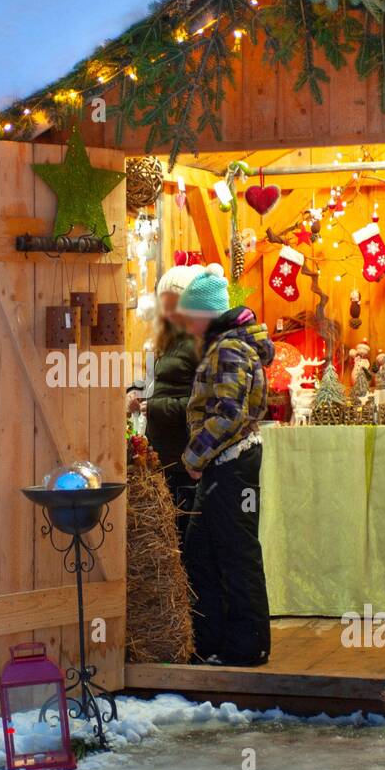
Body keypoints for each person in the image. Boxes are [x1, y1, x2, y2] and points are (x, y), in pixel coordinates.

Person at [176, 264, 274, 667]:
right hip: (233, 462)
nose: (186, 323)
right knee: (208, 550)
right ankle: (215, 639)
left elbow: (229, 412)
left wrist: (194, 457)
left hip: (230, 464)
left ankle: (246, 645)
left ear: (207, 314)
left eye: (191, 314)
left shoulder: (228, 349)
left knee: (234, 552)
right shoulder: (228, 346)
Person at [127, 265, 202, 539]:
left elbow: (201, 405)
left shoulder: (199, 343)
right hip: (162, 454)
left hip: (184, 456)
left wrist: (155, 407)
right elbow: (152, 383)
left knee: (184, 536)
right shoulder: (167, 341)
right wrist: (134, 393)